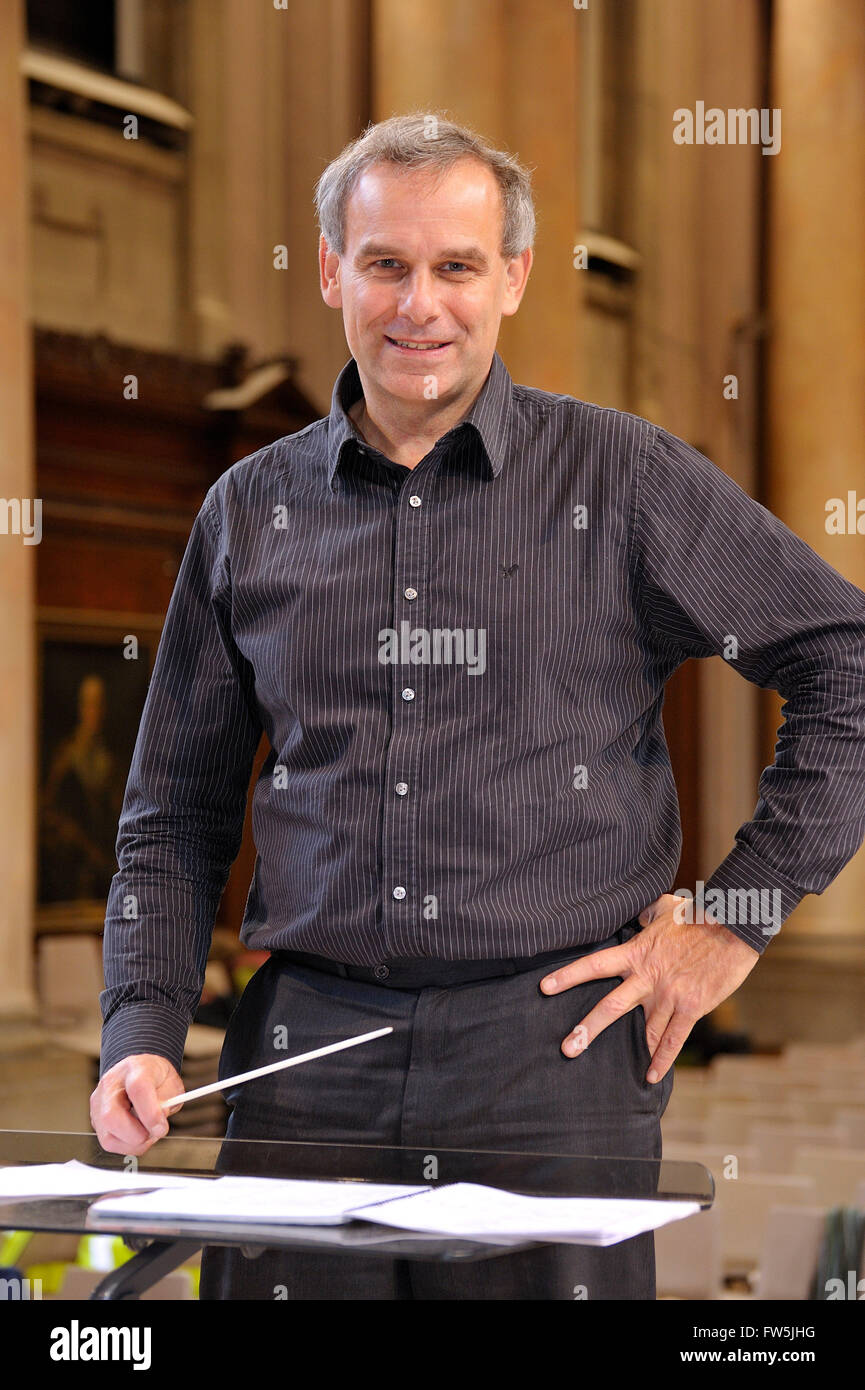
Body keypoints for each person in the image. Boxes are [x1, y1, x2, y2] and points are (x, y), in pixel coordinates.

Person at [90, 112, 865, 1300]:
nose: (420, 305)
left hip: (550, 1055)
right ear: (331, 270)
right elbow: (172, 812)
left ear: (510, 277)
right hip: (303, 1061)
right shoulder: (249, 509)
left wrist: (732, 919)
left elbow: (847, 662)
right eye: (386, 263)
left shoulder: (626, 481)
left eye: (455, 266)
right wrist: (139, 1029)